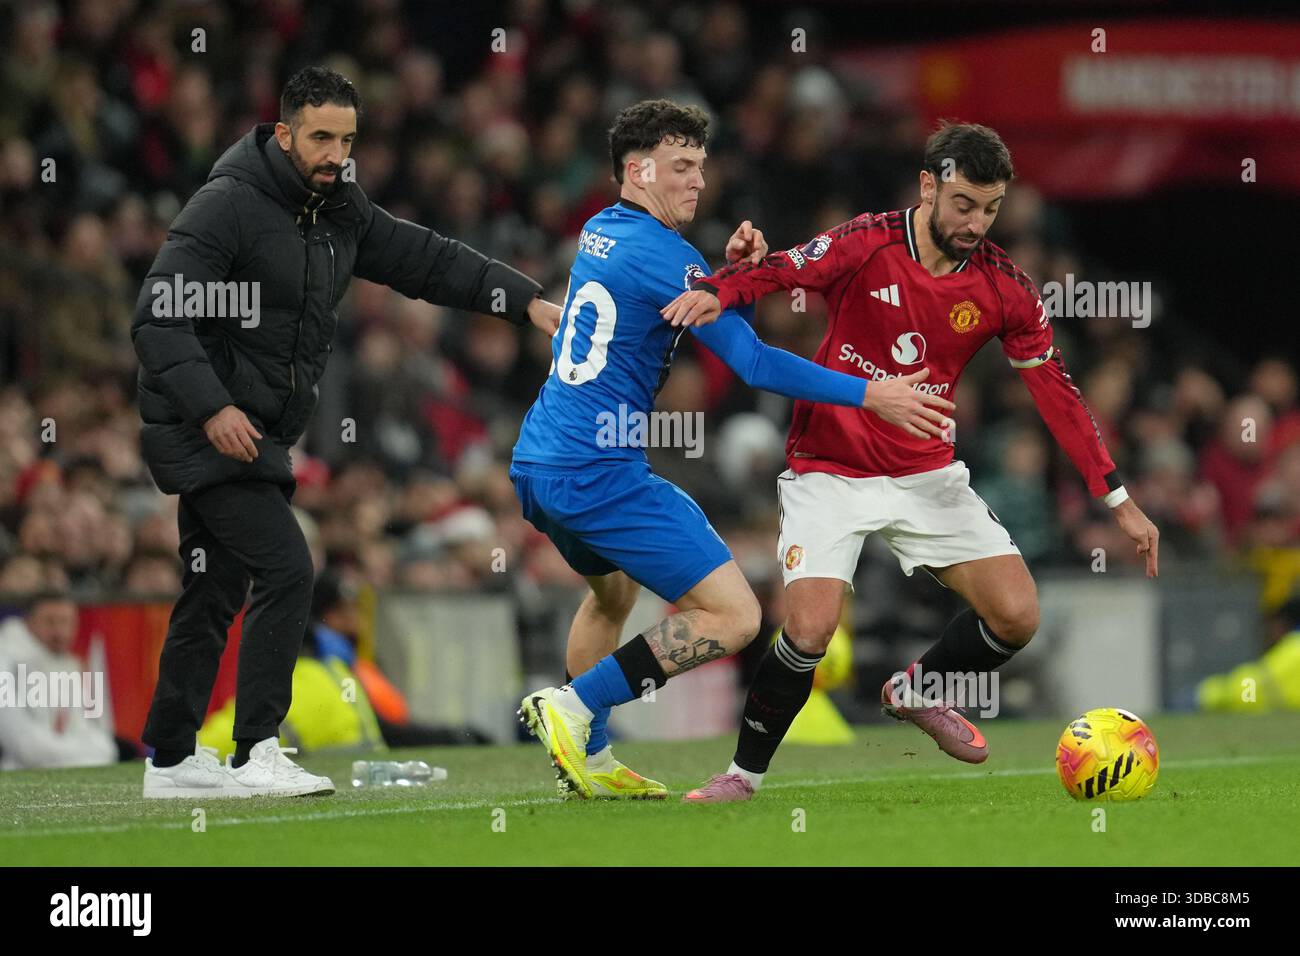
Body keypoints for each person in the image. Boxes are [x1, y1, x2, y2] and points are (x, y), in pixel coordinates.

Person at [663, 121, 1161, 802]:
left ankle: (915, 689)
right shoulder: (865, 241)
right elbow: (784, 270)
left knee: (1017, 615)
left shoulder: (1005, 290)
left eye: (990, 209)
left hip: (926, 473)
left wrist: (1119, 502)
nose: (976, 223)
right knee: (808, 628)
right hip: (829, 467)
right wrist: (723, 289)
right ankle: (741, 777)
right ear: (929, 185)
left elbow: (1060, 398)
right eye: (963, 205)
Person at [134, 66, 560, 800]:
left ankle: (171, 759)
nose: (335, 153)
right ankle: (258, 749)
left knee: (212, 591)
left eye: (348, 140)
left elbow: (428, 262)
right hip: (206, 427)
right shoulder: (226, 206)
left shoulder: (339, 212)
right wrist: (212, 407)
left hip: (255, 433)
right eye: (321, 137)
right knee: (290, 567)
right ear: (283, 133)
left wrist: (524, 303)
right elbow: (157, 313)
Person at [514, 100, 953, 800]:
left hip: (539, 462)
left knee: (611, 594)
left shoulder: (601, 229)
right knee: (737, 616)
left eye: (701, 166)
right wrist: (874, 395)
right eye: (681, 167)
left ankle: (588, 763)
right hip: (596, 470)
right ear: (638, 169)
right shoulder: (666, 256)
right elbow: (750, 365)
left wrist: (731, 284)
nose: (697, 181)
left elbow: (706, 322)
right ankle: (569, 706)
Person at [0, 591, 117, 770]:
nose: (59, 631)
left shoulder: (70, 665)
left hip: (65, 768)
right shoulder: (6, 663)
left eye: (66, 622)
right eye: (50, 622)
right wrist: (84, 753)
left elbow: (104, 744)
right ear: (28, 623)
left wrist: (85, 752)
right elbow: (23, 746)